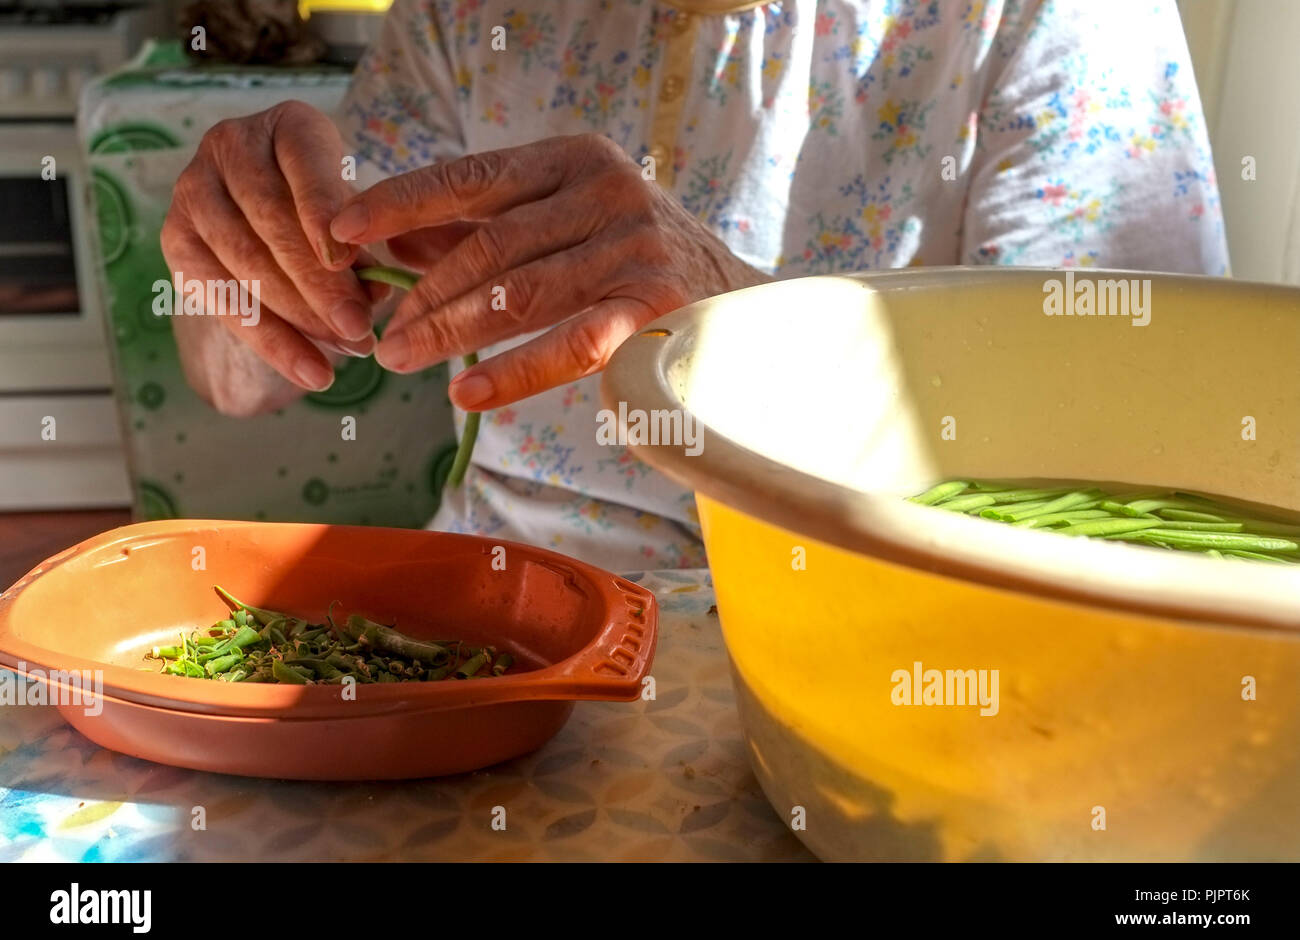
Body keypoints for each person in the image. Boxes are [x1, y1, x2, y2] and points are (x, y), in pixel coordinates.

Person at [161, 0, 1228, 571]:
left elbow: (1121, 495)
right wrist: (230, 264)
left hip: (858, 628)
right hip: (501, 615)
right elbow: (241, 379)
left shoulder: (1062, 20)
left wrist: (737, 321)